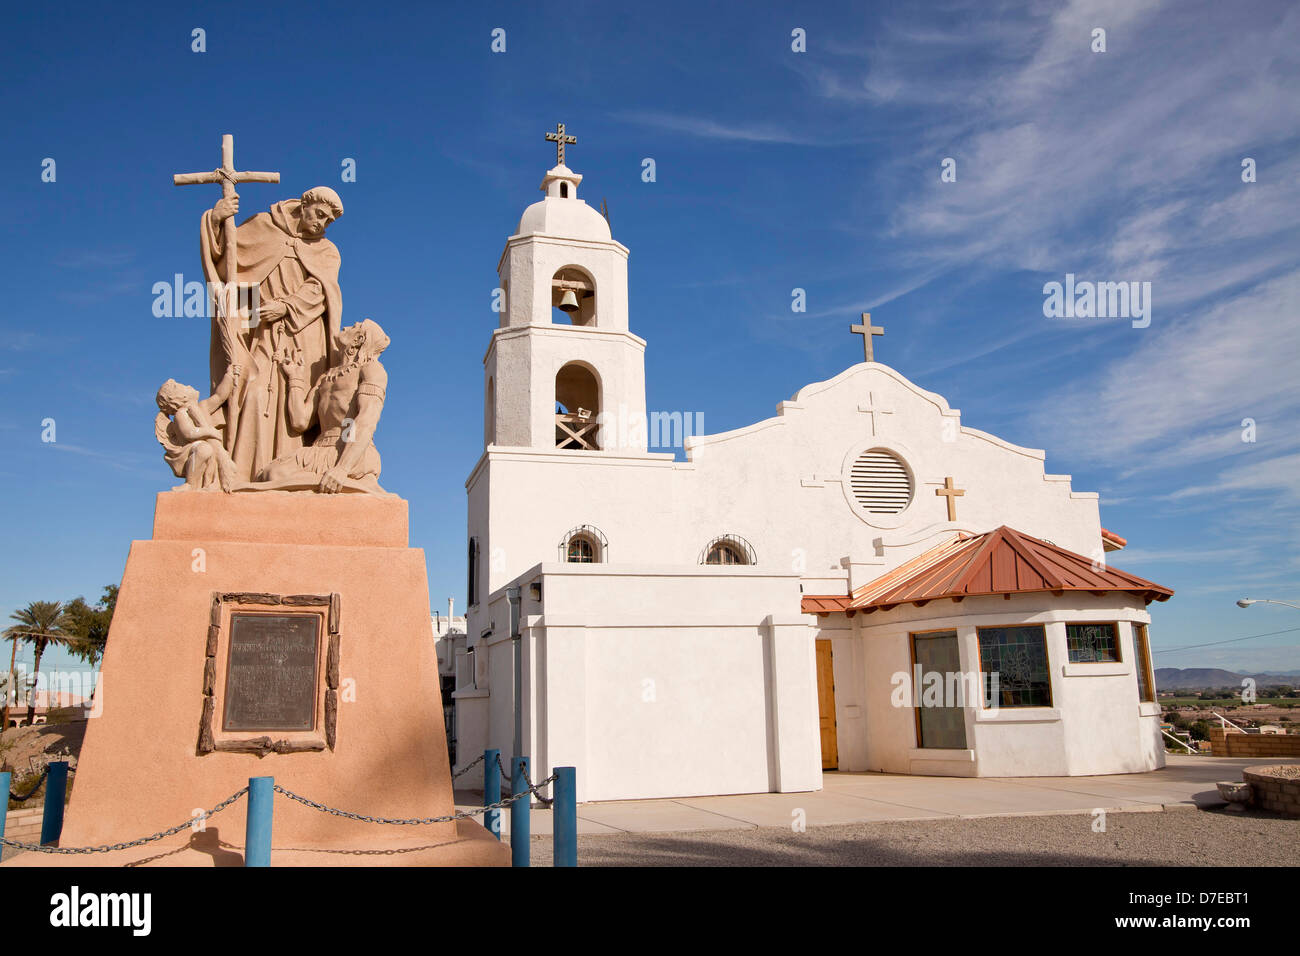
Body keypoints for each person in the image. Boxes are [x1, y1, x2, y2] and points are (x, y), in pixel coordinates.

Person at [199, 186, 344, 480]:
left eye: (328, 221)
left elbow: (321, 290)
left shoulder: (327, 251)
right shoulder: (264, 225)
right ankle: (242, 475)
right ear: (305, 204)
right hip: (262, 332)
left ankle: (288, 474)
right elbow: (226, 261)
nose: (322, 224)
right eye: (319, 215)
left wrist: (287, 306)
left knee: (297, 404)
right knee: (251, 391)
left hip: (304, 334)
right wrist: (216, 219)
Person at [250, 319, 390, 495]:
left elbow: (366, 420)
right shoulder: (326, 377)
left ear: (358, 339)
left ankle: (355, 483)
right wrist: (295, 378)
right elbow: (300, 422)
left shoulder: (371, 369)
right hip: (320, 449)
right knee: (272, 473)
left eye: (353, 327)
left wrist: (342, 469)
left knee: (277, 478)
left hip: (351, 448)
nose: (346, 327)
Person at [154, 365, 242, 491]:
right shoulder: (181, 414)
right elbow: (189, 433)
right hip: (192, 451)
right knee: (204, 448)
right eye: (184, 387)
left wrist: (229, 375)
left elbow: (219, 396)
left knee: (209, 452)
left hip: (211, 451)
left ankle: (212, 482)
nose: (189, 386)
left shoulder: (202, 406)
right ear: (179, 398)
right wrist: (210, 431)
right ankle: (190, 484)